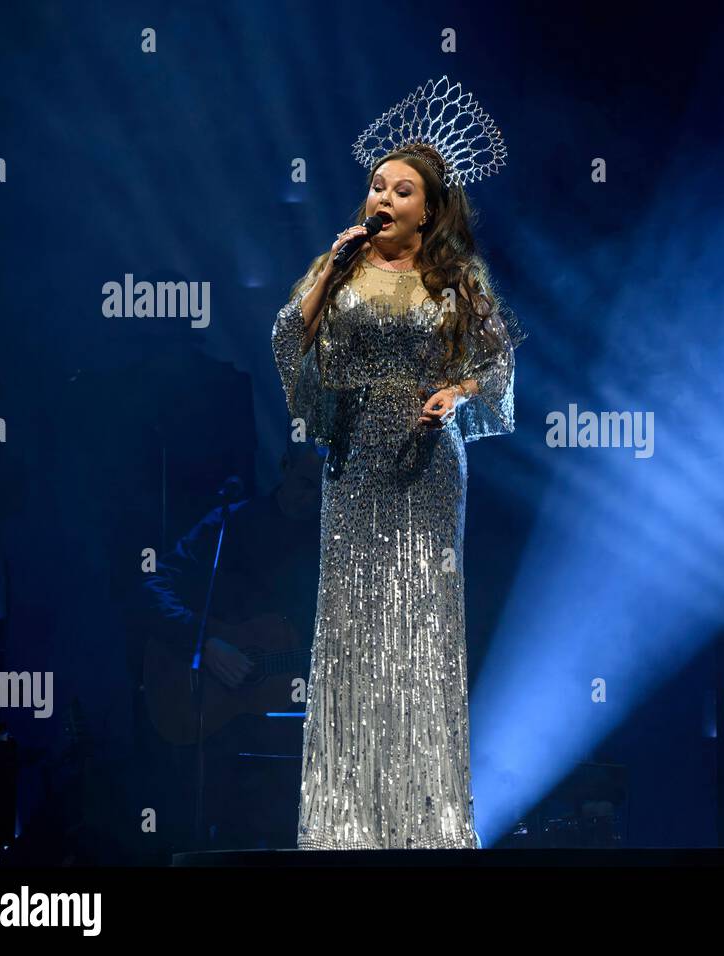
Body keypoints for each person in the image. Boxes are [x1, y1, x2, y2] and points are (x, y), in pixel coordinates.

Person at [270, 77, 523, 849]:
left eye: (400, 190)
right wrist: (328, 269)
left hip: (427, 467)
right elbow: (288, 342)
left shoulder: (456, 280)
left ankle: (427, 820)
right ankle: (347, 822)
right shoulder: (339, 269)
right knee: (352, 630)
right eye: (376, 185)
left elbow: (499, 365)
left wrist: (457, 393)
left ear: (429, 208)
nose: (381, 197)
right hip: (354, 465)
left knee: (420, 627)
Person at [136, 439, 322, 851]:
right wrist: (204, 643)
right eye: (306, 482)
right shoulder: (233, 522)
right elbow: (152, 584)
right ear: (284, 465)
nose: (311, 497)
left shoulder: (327, 540)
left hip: (290, 739)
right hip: (214, 726)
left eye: (321, 488)